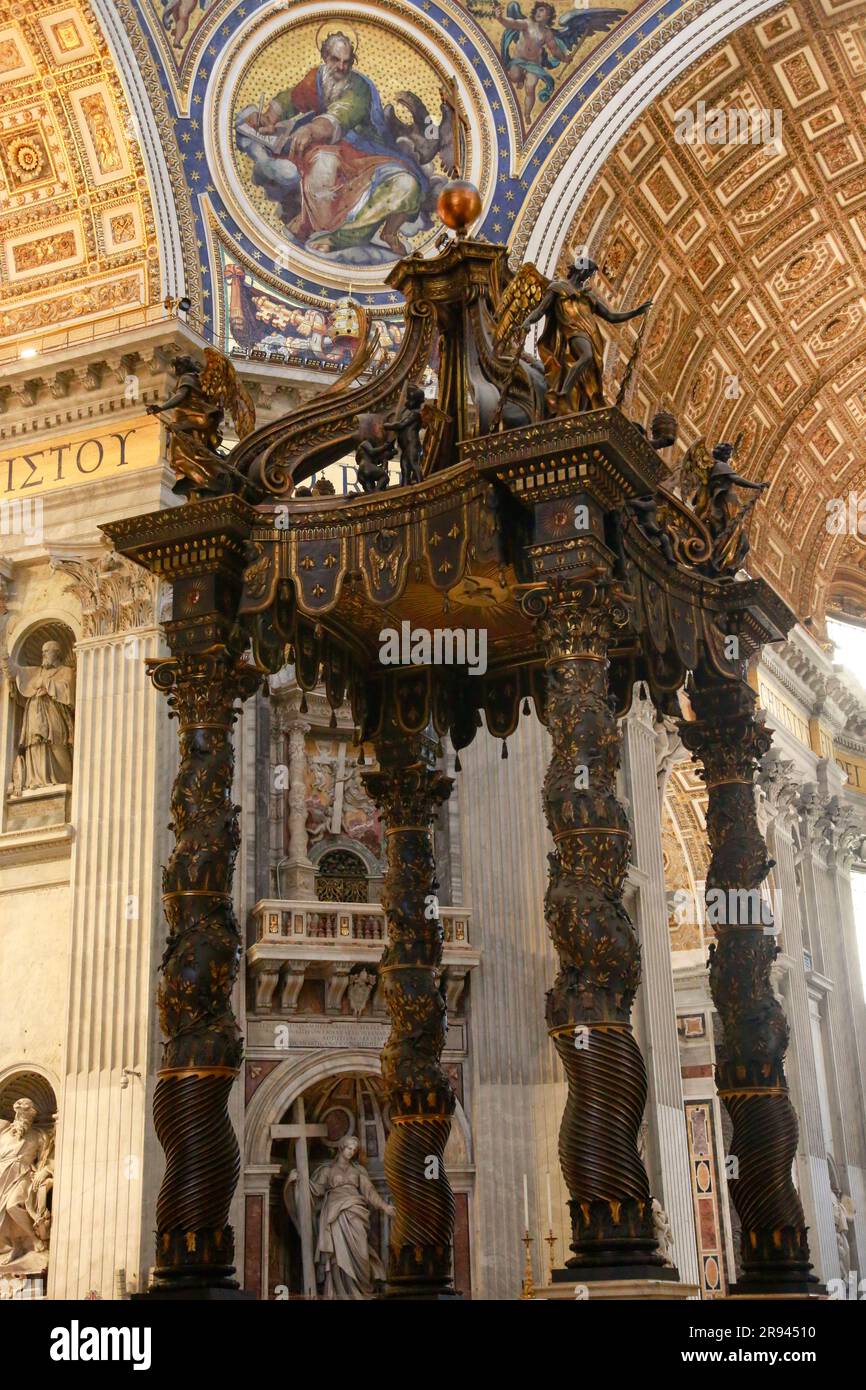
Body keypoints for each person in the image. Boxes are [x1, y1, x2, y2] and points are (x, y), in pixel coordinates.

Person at [240, 32, 426, 257]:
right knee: (322, 162)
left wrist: (310, 129)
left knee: (408, 184)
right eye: (336, 60)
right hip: (326, 149)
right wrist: (269, 118)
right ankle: (318, 227)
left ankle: (363, 234)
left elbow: (340, 116)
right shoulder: (317, 78)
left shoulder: (359, 88)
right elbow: (292, 98)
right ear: (325, 58)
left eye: (347, 61)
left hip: (365, 152)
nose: (341, 67)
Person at [523, 256, 652, 415]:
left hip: (591, 335)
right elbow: (541, 310)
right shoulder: (558, 288)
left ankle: (576, 403)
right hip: (572, 331)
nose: (589, 277)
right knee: (587, 356)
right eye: (589, 272)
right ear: (581, 270)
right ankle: (562, 393)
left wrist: (636, 312)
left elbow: (611, 317)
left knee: (589, 379)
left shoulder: (589, 297)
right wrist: (527, 322)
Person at [287, 1135, 395, 1299]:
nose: (351, 1152)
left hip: (355, 1211)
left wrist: (385, 1206)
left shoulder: (359, 1170)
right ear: (341, 1148)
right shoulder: (327, 1170)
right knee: (337, 1255)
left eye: (354, 1149)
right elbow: (315, 1190)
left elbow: (370, 1192)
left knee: (362, 1253)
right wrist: (299, 1180)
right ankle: (338, 1293)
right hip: (334, 1214)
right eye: (349, 1148)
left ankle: (362, 1290)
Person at [8, 640, 75, 796]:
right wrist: (5, 657)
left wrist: (46, 684)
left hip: (55, 715)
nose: (43, 654)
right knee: (34, 744)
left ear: (57, 653)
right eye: (42, 651)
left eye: (47, 651)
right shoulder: (36, 671)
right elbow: (15, 673)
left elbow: (68, 693)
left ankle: (62, 779)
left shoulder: (66, 671)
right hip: (33, 715)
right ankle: (35, 781)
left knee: (56, 743)